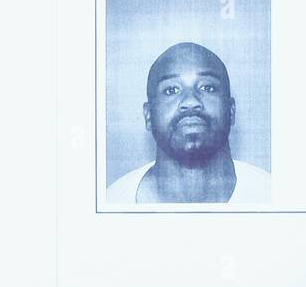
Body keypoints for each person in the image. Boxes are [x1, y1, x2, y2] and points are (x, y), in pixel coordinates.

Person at [106, 41, 271, 205]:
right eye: (171, 90)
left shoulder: (273, 196)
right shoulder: (113, 203)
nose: (191, 101)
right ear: (148, 115)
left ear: (231, 110)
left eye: (207, 87)